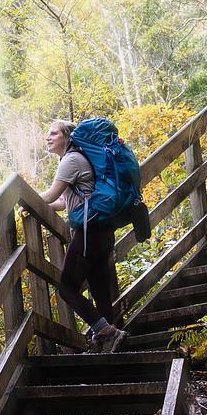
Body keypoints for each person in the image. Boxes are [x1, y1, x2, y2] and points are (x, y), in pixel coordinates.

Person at [38, 119, 128, 353]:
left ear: (67, 136)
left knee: (67, 288)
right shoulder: (78, 158)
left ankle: (107, 332)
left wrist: (22, 198)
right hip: (101, 231)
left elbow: (50, 195)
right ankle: (107, 344)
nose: (48, 137)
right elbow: (61, 201)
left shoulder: (71, 160)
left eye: (53, 133)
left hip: (89, 233)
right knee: (99, 289)